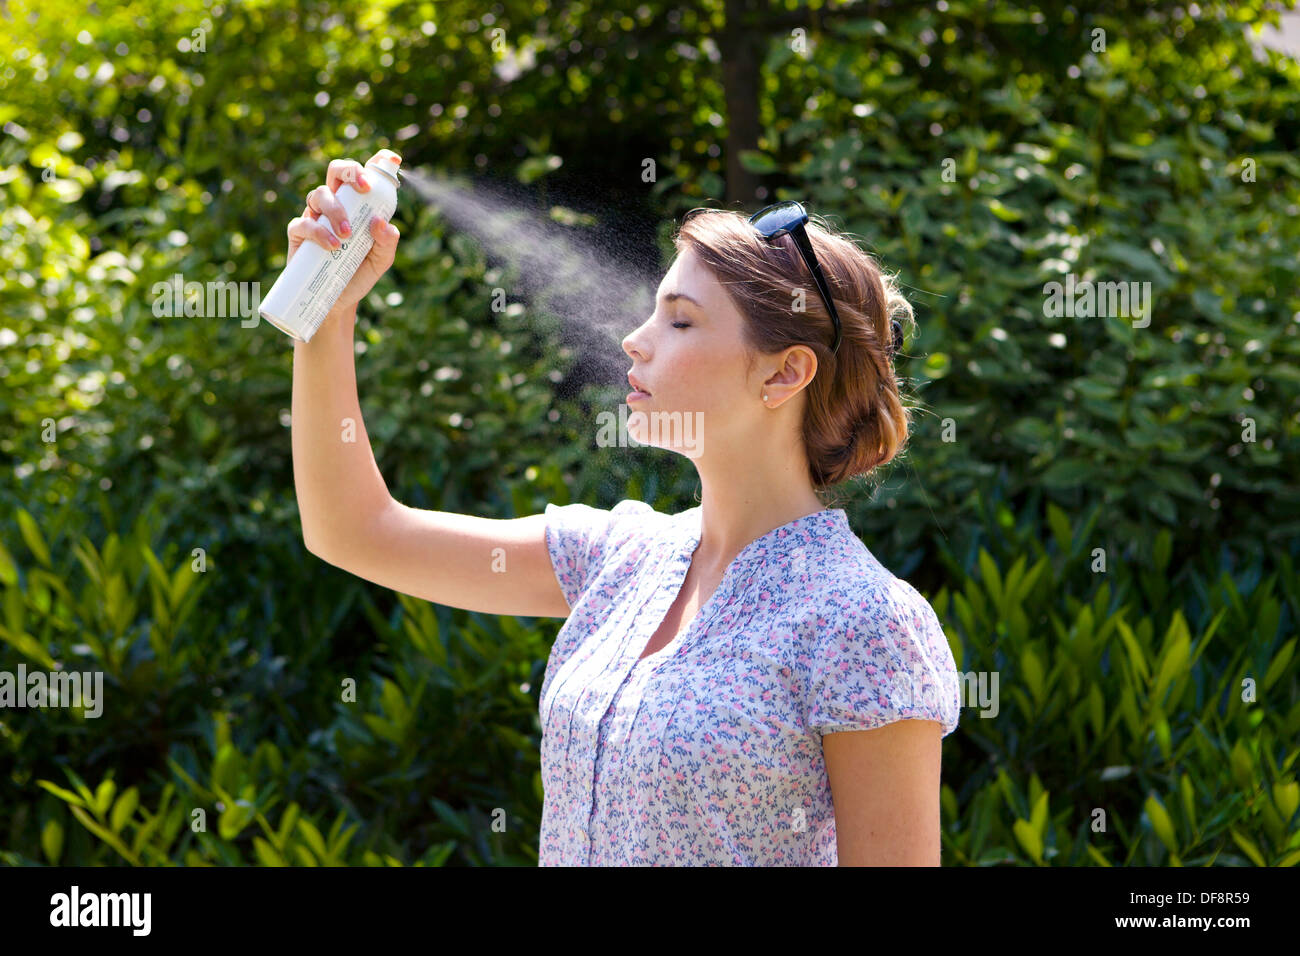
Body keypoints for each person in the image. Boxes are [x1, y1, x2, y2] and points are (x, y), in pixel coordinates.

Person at [288, 157, 961, 866]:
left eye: (680, 320)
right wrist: (327, 318)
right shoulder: (618, 558)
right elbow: (355, 531)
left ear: (784, 372)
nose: (635, 339)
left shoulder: (861, 621)